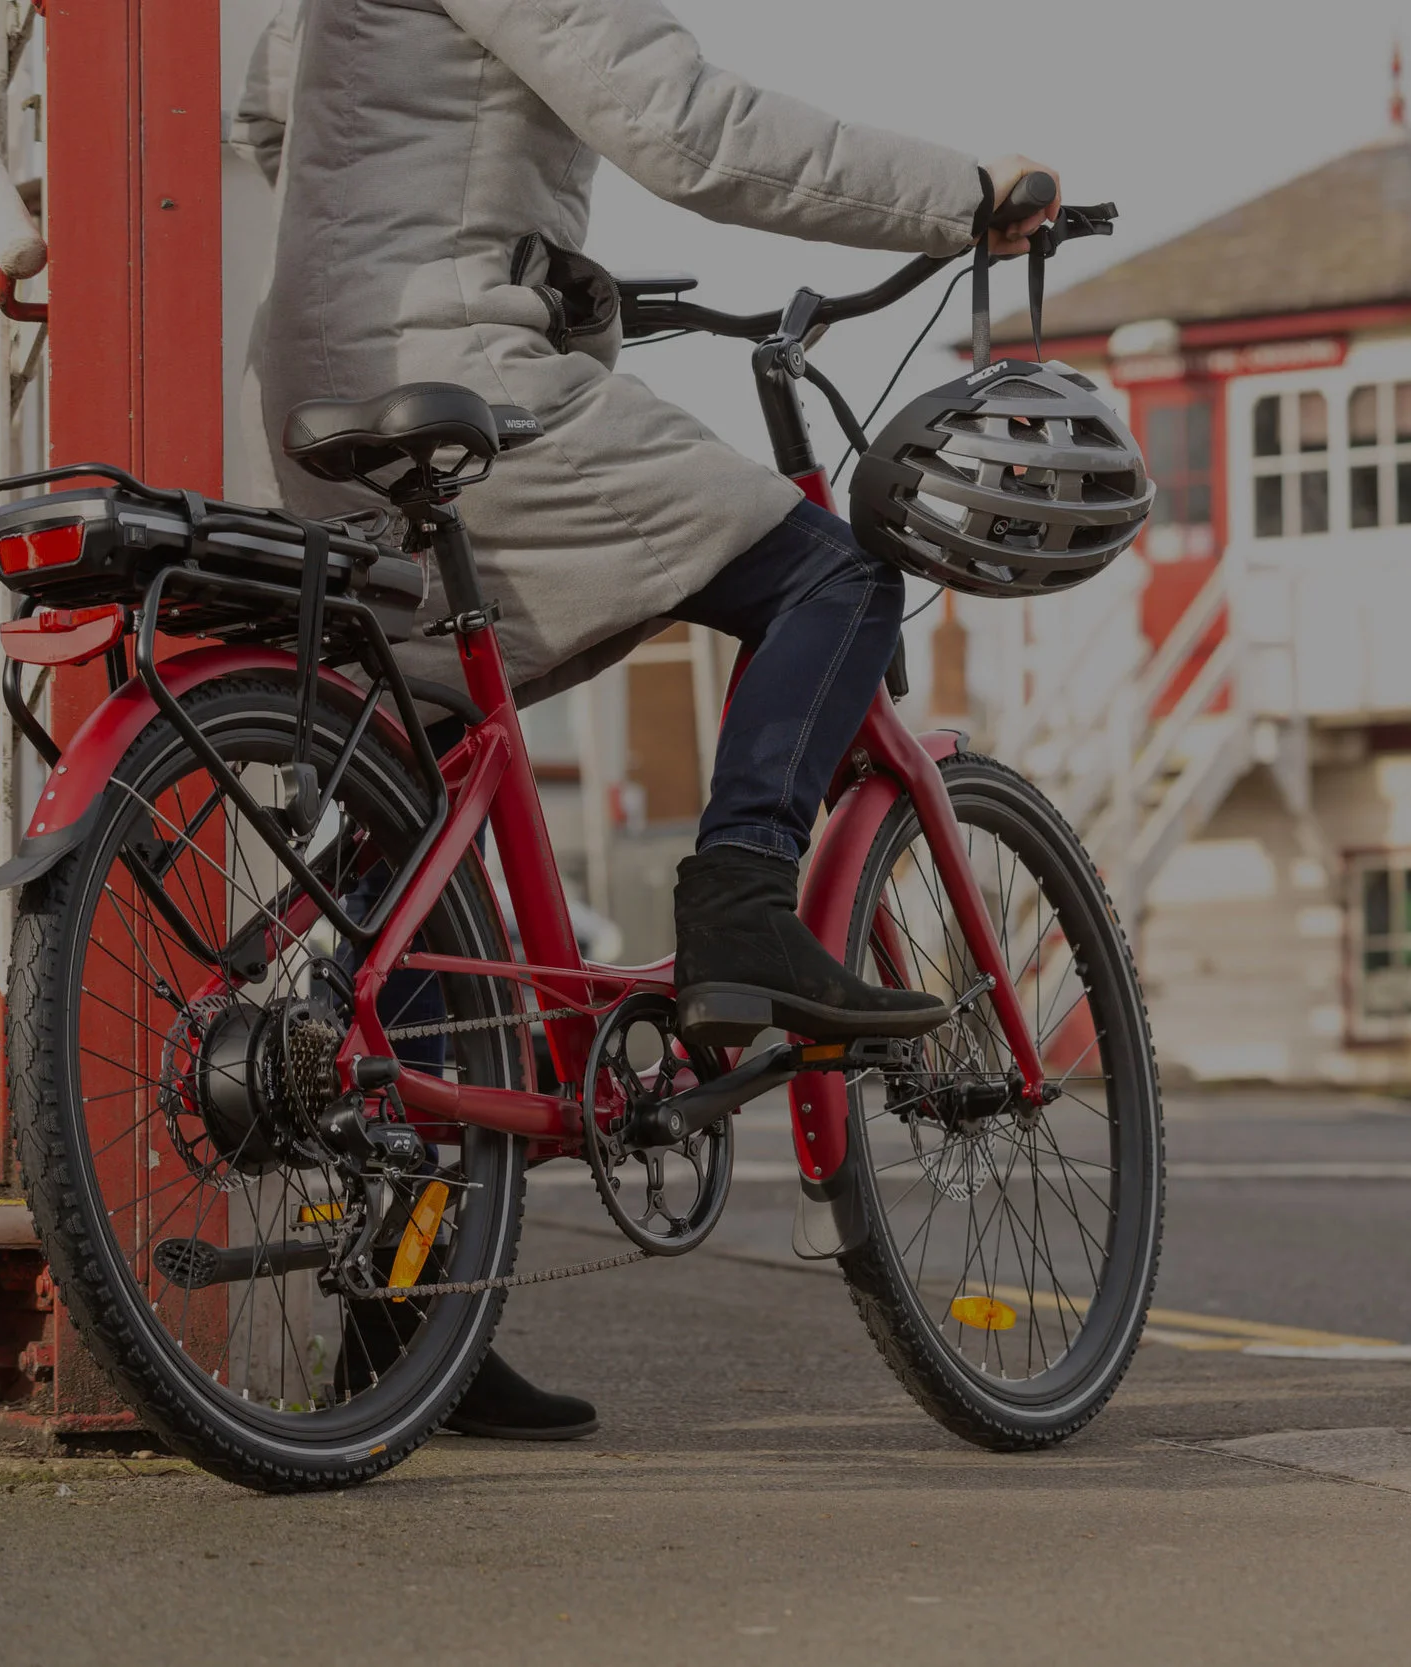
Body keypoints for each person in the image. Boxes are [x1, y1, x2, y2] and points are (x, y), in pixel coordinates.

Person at [231, 0, 1059, 1440]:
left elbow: (269, 114)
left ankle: (402, 1322)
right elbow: (688, 129)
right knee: (838, 572)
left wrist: (518, 259)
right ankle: (743, 899)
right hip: (459, 386)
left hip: (320, 391)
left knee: (421, 835)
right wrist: (964, 202)